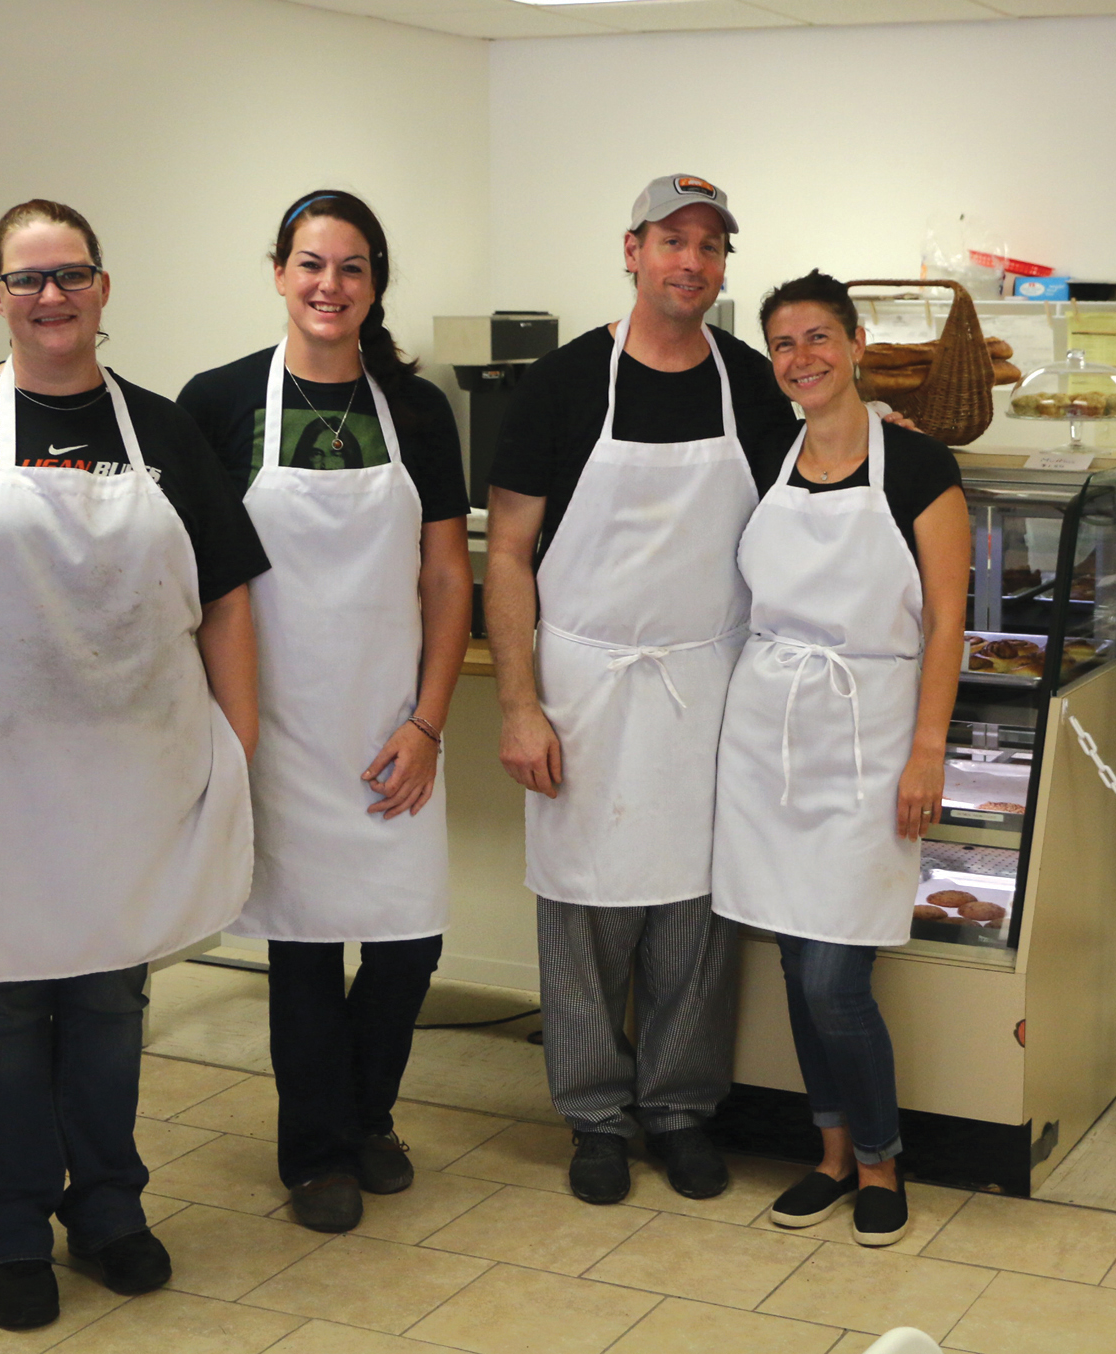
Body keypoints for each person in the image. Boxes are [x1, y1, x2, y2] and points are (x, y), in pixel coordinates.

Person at [0, 201, 268, 1330]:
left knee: (113, 992)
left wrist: (236, 748)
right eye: (28, 280)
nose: (52, 296)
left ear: (105, 289)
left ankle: (110, 1203)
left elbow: (225, 600)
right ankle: (15, 1220)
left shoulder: (162, 432)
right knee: (6, 1000)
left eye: (71, 275)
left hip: (133, 773)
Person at [485, 174, 799, 1205]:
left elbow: (790, 530)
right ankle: (592, 1114)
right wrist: (520, 704)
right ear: (632, 250)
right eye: (674, 241)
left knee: (695, 916)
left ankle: (679, 1107)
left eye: (711, 247)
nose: (693, 263)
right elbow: (511, 555)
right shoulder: (564, 382)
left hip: (708, 677)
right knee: (584, 915)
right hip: (583, 681)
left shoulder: (751, 385)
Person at [178, 190, 472, 1234]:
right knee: (301, 944)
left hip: (391, 718)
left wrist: (428, 720)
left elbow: (446, 576)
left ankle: (367, 1114)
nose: (329, 286)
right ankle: (318, 1152)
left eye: (350, 268)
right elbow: (200, 578)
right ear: (278, 272)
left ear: (374, 283)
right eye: (311, 264)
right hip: (275, 722)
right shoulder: (216, 403)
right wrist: (226, 728)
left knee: (406, 942)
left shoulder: (420, 409)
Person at [714, 271, 968, 1247]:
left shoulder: (917, 465)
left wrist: (927, 753)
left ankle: (880, 1158)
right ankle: (827, 1155)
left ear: (857, 343)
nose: (801, 359)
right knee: (790, 960)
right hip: (768, 737)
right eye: (783, 344)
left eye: (818, 338)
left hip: (870, 737)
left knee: (833, 978)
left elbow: (948, 621)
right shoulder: (765, 458)